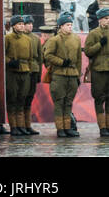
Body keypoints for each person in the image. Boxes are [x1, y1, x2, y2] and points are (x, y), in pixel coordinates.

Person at [43, 12, 83, 138]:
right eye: (67, 25)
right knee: (59, 102)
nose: (70, 27)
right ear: (60, 26)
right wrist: (61, 62)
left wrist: (77, 75)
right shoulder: (54, 40)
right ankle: (60, 129)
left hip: (72, 75)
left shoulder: (76, 39)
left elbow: (78, 59)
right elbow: (48, 55)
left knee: (69, 102)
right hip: (59, 75)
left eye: (71, 25)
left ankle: (68, 128)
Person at [4, 12, 40, 137]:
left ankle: (21, 126)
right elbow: (2, 54)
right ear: (13, 26)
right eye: (18, 24)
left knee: (22, 99)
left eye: (22, 24)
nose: (21, 26)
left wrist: (30, 70)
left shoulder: (28, 39)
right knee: (12, 99)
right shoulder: (8, 38)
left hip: (25, 71)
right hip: (12, 72)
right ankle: (13, 126)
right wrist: (9, 62)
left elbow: (31, 58)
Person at [87, 8, 109, 137]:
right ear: (100, 20)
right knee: (99, 98)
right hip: (99, 70)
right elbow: (88, 51)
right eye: (106, 18)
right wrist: (99, 44)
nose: (108, 21)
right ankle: (102, 127)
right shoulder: (94, 33)